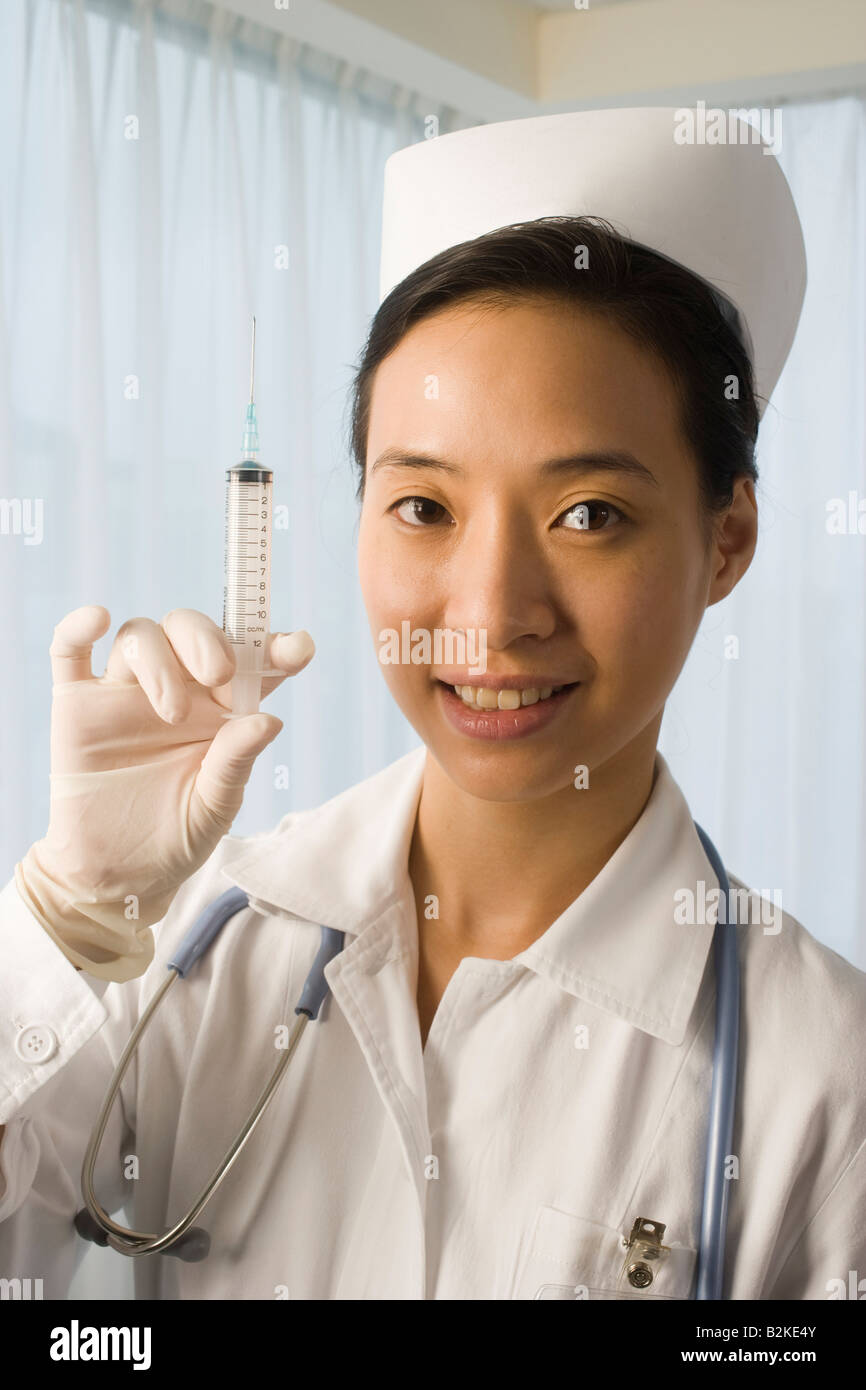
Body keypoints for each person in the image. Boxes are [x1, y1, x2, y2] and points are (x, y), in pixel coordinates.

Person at [1, 109, 864, 1302]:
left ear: (727, 538)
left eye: (588, 514)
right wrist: (64, 916)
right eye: (423, 507)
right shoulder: (181, 955)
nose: (491, 612)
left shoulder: (824, 1077)